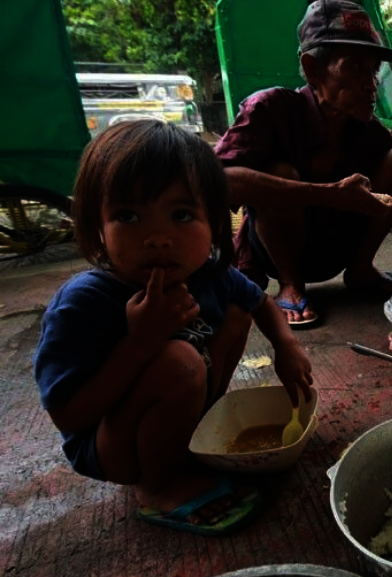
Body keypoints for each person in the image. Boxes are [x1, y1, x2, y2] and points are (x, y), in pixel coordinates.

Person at [33, 120, 314, 535]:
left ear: (216, 224)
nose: (158, 237)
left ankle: (188, 438)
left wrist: (286, 347)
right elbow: (69, 416)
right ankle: (159, 487)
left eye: (181, 214)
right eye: (128, 216)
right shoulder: (85, 301)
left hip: (174, 401)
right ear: (97, 226)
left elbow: (261, 303)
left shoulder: (209, 272)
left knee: (236, 312)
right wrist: (138, 343)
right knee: (178, 358)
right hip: (112, 446)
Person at [215, 0, 392, 327]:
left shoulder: (367, 129)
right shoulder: (270, 108)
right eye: (355, 67)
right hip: (278, 255)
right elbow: (220, 178)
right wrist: (329, 193)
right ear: (313, 70)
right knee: (279, 174)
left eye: (374, 70)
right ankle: (291, 285)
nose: (371, 83)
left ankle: (361, 271)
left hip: (337, 250)